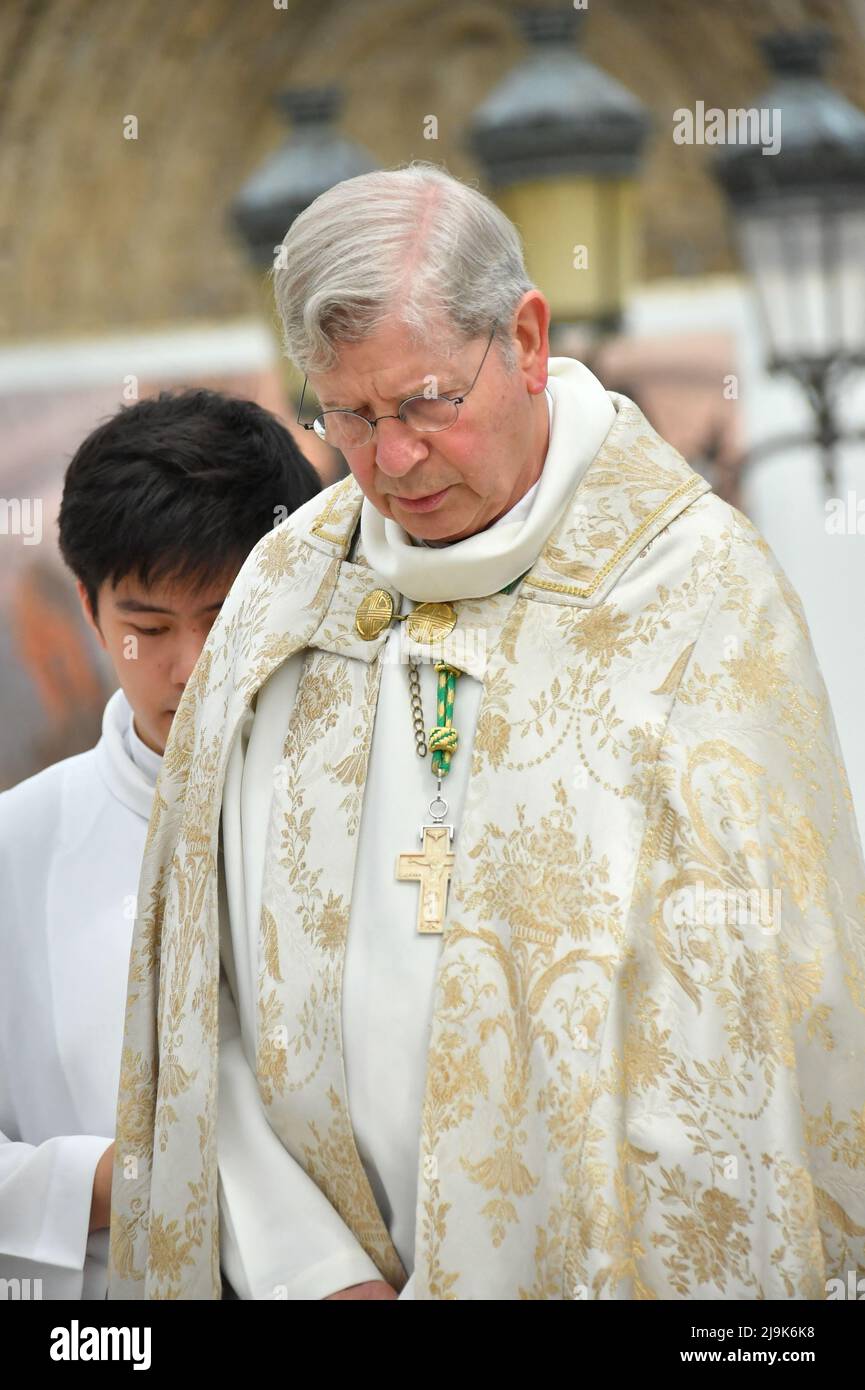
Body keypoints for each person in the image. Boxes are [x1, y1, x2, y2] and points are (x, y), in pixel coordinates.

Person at [108, 163, 865, 1302]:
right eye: (348, 415)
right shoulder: (282, 595)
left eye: (423, 403)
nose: (391, 461)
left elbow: (763, 995)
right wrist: (311, 1272)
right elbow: (202, 996)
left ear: (522, 338)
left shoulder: (700, 591)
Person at [0, 388, 321, 1298]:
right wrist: (119, 1185)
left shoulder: (376, 816)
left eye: (225, 622)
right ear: (88, 612)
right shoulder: (17, 848)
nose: (188, 669)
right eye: (146, 630)